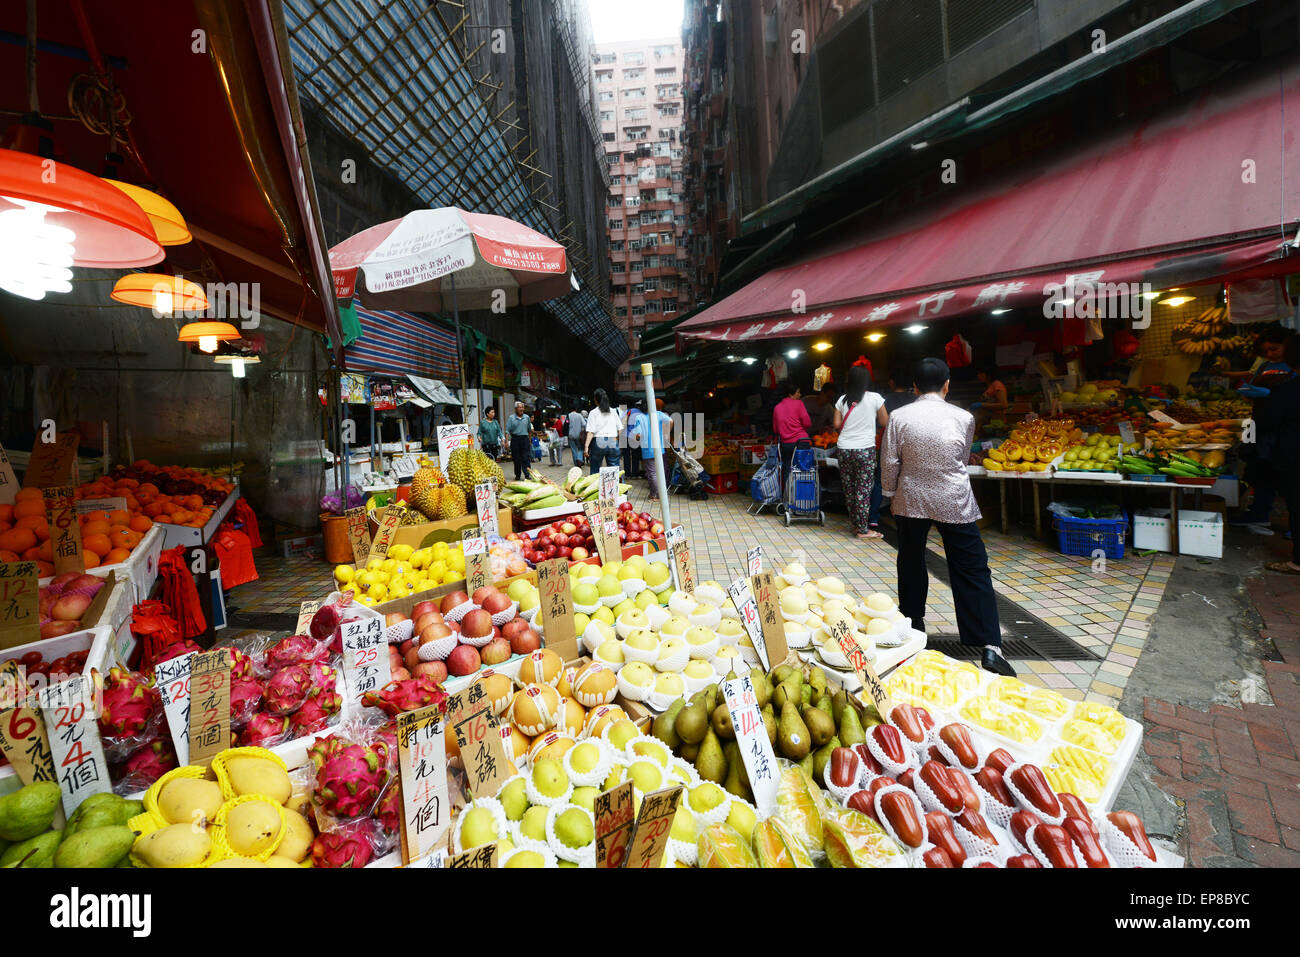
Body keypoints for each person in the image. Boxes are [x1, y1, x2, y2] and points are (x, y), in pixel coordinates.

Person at [880, 357, 1015, 676]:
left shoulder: (899, 416)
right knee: (972, 567)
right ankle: (990, 645)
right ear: (947, 385)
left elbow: (889, 461)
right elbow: (962, 455)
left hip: (911, 497)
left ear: (914, 386)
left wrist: (889, 493)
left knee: (911, 561)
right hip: (953, 498)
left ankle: (913, 628)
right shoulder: (964, 417)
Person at [833, 366, 888, 540]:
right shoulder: (875, 398)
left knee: (849, 489)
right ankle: (863, 530)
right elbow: (884, 420)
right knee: (863, 489)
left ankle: (856, 524)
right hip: (865, 449)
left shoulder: (842, 400)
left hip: (844, 449)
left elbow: (836, 424)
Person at [1260, 336, 1300, 570]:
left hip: (1294, 454)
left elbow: (1268, 422)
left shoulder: (1288, 389)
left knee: (1297, 504)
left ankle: (1297, 563)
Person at [772, 382, 811, 488]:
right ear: (790, 393)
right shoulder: (799, 404)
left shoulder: (777, 408)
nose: (800, 394)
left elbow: (776, 429)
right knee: (802, 470)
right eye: (798, 392)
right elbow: (807, 423)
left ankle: (788, 498)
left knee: (788, 469)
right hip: (801, 442)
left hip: (786, 444)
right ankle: (803, 498)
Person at [637, 400, 674, 497]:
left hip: (647, 450)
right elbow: (671, 421)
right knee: (659, 471)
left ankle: (658, 495)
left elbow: (638, 435)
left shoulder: (639, 418)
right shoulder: (659, 414)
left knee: (652, 473)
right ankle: (654, 493)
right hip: (659, 448)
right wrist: (666, 433)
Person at [584, 388, 622, 474]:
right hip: (613, 441)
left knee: (595, 469)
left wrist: (586, 447)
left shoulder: (593, 413)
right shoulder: (613, 411)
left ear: (596, 399)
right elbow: (620, 429)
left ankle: (596, 487)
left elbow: (590, 432)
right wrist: (620, 445)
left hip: (598, 442)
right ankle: (616, 487)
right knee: (614, 470)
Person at [506, 401, 532, 481]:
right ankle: (517, 475)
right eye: (519, 407)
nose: (521, 409)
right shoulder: (511, 418)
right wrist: (506, 441)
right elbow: (507, 431)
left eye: (522, 407)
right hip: (515, 439)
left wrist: (529, 441)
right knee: (516, 459)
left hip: (525, 439)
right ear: (515, 409)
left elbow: (529, 430)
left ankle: (527, 475)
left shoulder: (527, 417)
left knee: (526, 458)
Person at [624, 402, 644, 480]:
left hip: (626, 435)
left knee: (626, 456)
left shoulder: (628, 411)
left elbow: (623, 422)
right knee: (635, 456)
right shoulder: (642, 413)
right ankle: (635, 474)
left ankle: (627, 474)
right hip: (636, 436)